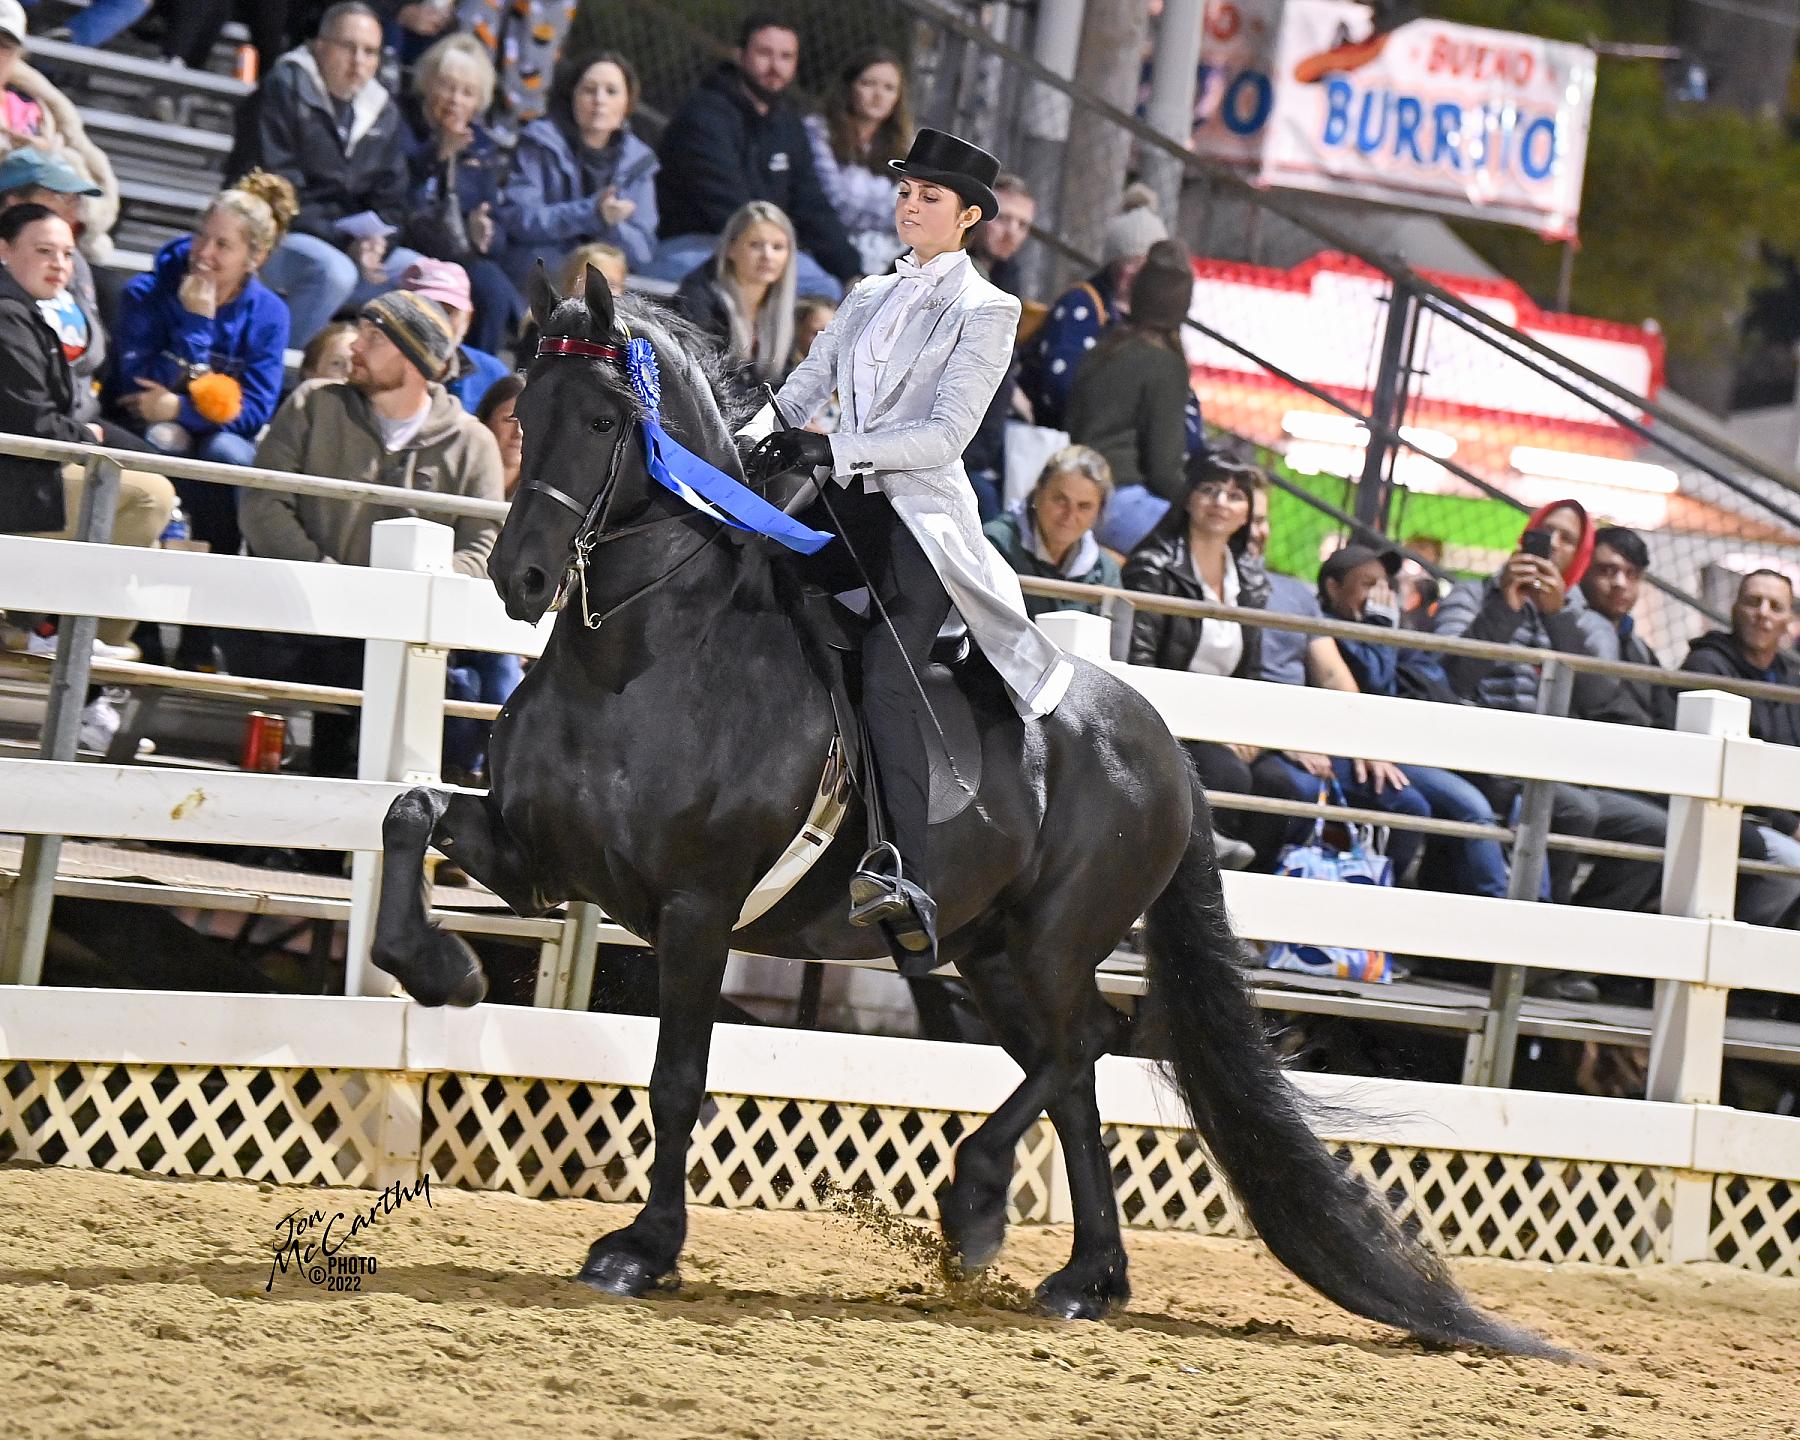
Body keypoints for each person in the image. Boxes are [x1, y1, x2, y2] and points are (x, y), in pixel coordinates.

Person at [740, 128, 1074, 965]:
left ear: (966, 218)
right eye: (904, 192)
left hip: (919, 519)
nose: (909, 205)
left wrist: (835, 448)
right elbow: (799, 393)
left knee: (890, 671)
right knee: (741, 591)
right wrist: (739, 446)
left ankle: (906, 871)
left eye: (928, 197)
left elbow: (945, 436)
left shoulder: (987, 311)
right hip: (842, 504)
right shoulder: (862, 295)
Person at [238, 290, 503, 775]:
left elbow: (483, 547)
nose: (355, 347)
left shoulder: (472, 443)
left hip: (411, 633)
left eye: (374, 338)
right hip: (306, 616)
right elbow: (263, 503)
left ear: (413, 357)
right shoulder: (313, 405)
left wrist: (410, 591)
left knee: (452, 695)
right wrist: (327, 575)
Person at [1433, 500, 1668, 999]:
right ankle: (1542, 954)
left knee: (1654, 832)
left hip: (1557, 769)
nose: (1554, 547)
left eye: (1567, 540)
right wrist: (1505, 607)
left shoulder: (1579, 615)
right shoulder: (1475, 594)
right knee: (1574, 810)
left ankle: (1575, 953)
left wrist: (1557, 616)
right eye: (1548, 534)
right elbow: (1450, 676)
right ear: (1527, 535)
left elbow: (1599, 697)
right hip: (1484, 760)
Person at [0, 202, 170, 739]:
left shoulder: (26, 309)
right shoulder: (7, 312)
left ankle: (70, 644)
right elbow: (30, 422)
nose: (59, 265)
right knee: (148, 497)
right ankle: (65, 634)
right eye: (43, 252)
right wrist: (91, 437)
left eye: (68, 254)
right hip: (15, 481)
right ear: (4, 252)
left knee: (154, 503)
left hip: (28, 474)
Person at [106, 172, 297, 588]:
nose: (204, 253)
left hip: (209, 434)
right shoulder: (147, 292)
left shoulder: (269, 315)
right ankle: (139, 605)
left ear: (255, 257)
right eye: (202, 236)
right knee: (162, 438)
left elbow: (253, 413)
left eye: (223, 244)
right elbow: (133, 389)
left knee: (228, 453)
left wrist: (182, 405)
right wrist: (196, 331)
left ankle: (211, 602)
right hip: (142, 429)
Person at [1122, 455, 1296, 870]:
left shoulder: (1252, 579)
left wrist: (1243, 727)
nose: (1221, 501)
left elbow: (1249, 670)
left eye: (1235, 496)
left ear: (1247, 514)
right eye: (1209, 489)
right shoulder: (1152, 567)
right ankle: (1194, 895)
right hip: (1166, 719)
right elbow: (1139, 663)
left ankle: (1247, 904)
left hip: (1223, 723)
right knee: (1230, 776)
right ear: (1188, 499)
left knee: (1284, 789)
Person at [1317, 543, 1510, 902]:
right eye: (1366, 584)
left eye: (1384, 586)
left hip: (1412, 745)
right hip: (1364, 752)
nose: (1379, 595)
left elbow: (1432, 678)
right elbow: (1375, 681)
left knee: (1512, 795)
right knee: (1472, 810)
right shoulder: (1329, 631)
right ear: (1332, 587)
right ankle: (1501, 915)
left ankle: (1528, 905)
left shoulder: (1396, 628)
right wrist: (1379, 628)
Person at [234, 3, 416, 344]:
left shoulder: (383, 110)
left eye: (370, 52)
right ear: (320, 46)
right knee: (334, 273)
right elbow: (276, 190)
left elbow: (393, 199)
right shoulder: (283, 87)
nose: (359, 61)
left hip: (345, 245)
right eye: (349, 47)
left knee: (427, 277)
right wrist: (348, 242)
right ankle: (286, 369)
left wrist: (377, 243)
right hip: (274, 235)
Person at [647, 15, 860, 301]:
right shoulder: (703, 116)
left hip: (765, 249)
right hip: (696, 245)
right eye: (764, 53)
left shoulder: (788, 125)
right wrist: (767, 251)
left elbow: (812, 205)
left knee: (826, 289)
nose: (775, 66)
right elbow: (724, 203)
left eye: (786, 57)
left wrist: (851, 272)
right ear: (739, 55)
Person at [1065, 238, 1195, 555]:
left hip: (1075, 485)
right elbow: (1164, 470)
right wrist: (1194, 502)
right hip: (1120, 499)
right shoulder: (1166, 365)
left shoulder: (1103, 348)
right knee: (1198, 549)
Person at [496, 49, 658, 284]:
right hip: (542, 269)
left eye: (611, 92)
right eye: (589, 90)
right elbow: (521, 219)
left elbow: (643, 252)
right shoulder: (540, 142)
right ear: (572, 95)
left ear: (627, 103)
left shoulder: (640, 162)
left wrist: (611, 225)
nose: (599, 100)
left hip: (603, 278)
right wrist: (591, 214)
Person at [402, 31, 519, 354]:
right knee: (490, 287)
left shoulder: (482, 149)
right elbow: (400, 197)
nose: (455, 99)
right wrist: (438, 154)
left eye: (467, 92)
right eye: (447, 86)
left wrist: (485, 234)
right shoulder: (404, 127)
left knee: (504, 294)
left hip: (462, 255)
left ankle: (487, 380)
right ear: (428, 84)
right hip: (411, 245)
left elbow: (495, 227)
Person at [1683, 569, 1800, 885]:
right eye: (1753, 602)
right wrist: (1790, 826)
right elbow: (1717, 766)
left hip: (1781, 817)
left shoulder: (1791, 681)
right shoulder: (1707, 666)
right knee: (1793, 865)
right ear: (1735, 609)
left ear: (1788, 620)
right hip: (1730, 813)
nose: (1763, 613)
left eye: (1775, 606)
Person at [1017, 183, 1165, 431]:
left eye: (1140, 263)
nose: (1131, 271)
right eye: (1125, 261)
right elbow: (1059, 384)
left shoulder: (1154, 322)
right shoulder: (1081, 304)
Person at [443, 371, 526, 784]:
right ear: (486, 419)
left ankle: (488, 774)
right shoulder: (461, 475)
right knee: (465, 679)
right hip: (451, 614)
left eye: (528, 420)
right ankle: (488, 773)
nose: (519, 431)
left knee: (479, 675)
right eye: (509, 418)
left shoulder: (542, 499)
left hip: (503, 631)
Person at [0, 149, 106, 438]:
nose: (73, 211)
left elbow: (96, 351)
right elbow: (26, 415)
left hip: (77, 413)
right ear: (13, 204)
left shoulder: (75, 265)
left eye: (75, 200)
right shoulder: (8, 309)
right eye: (59, 197)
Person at [802, 48, 909, 278]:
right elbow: (837, 203)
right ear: (849, 87)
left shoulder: (903, 148)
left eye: (889, 88)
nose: (878, 95)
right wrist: (896, 216)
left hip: (889, 259)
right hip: (829, 251)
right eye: (869, 84)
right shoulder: (818, 133)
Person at [983, 444, 1120, 618]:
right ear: (1038, 493)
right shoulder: (994, 544)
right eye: (1060, 500)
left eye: (1084, 506)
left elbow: (1114, 642)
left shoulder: (1105, 571)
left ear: (1099, 511)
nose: (1070, 515)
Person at [675, 200, 796, 397]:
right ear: (731, 249)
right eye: (756, 245)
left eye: (778, 247)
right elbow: (702, 376)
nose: (768, 256)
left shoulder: (782, 307)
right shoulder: (698, 297)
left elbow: (784, 380)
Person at [399, 256, 508, 413]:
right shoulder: (377, 367)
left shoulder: (493, 375)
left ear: (467, 318)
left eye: (448, 311)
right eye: (424, 309)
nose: (436, 320)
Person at [455, 0, 577, 137]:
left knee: (533, 53)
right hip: (466, 107)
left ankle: (518, 125)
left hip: (525, 117)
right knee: (471, 49)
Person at [968, 173, 1034, 299]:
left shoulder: (1009, 275)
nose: (1011, 233)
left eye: (1022, 225)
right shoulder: (947, 263)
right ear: (977, 216)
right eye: (1002, 218)